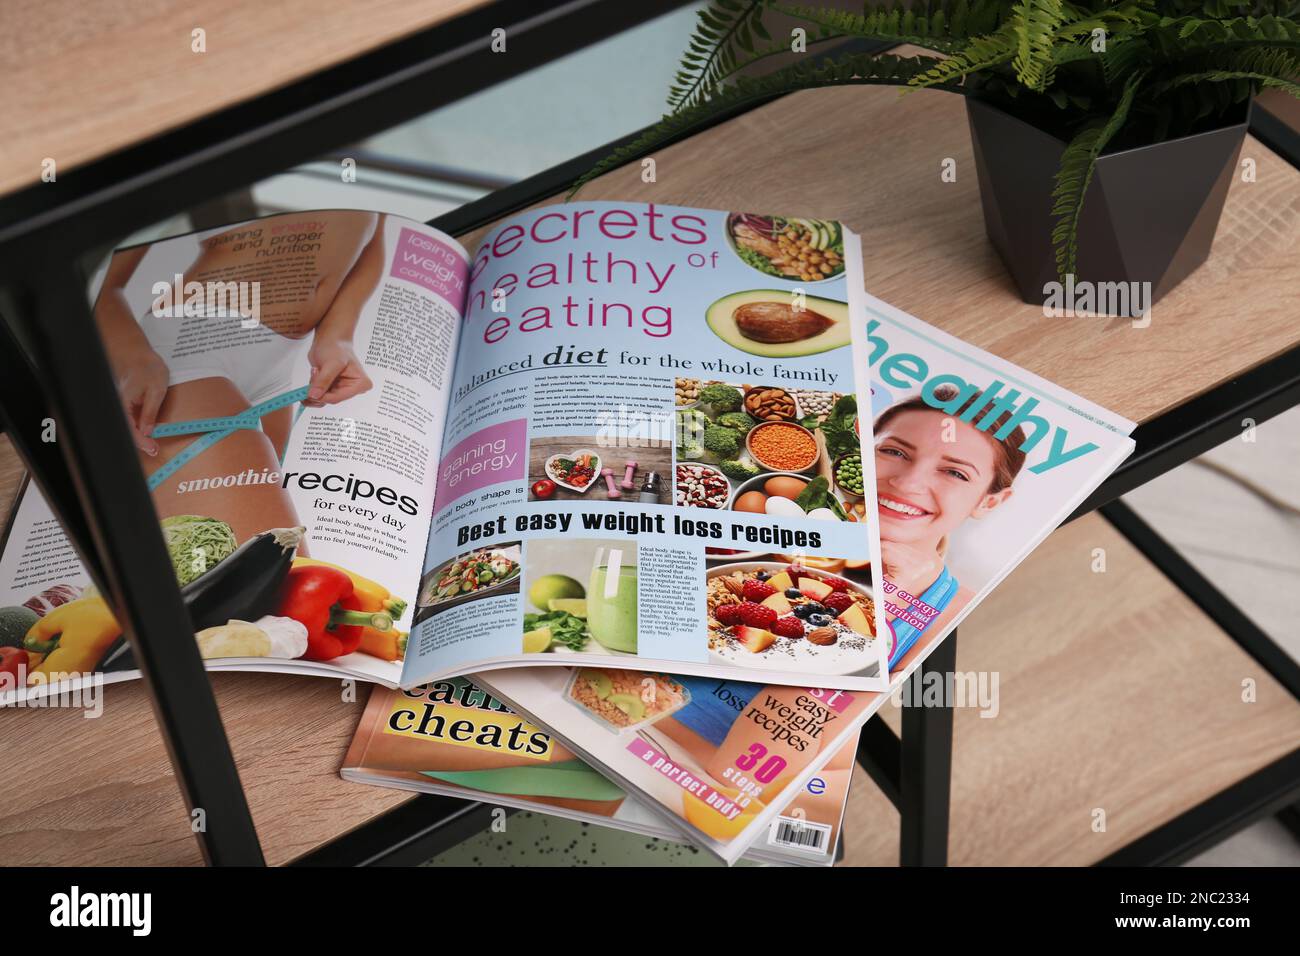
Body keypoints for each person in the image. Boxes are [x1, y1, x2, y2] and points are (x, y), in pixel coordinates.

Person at [95, 210, 384, 546]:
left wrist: (338, 336)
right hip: (189, 353)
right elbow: (102, 288)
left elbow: (373, 239)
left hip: (279, 368)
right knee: (279, 569)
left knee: (241, 565)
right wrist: (134, 363)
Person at [874, 384, 1027, 668]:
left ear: (989, 503)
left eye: (955, 473)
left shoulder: (955, 612)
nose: (908, 483)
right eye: (895, 452)